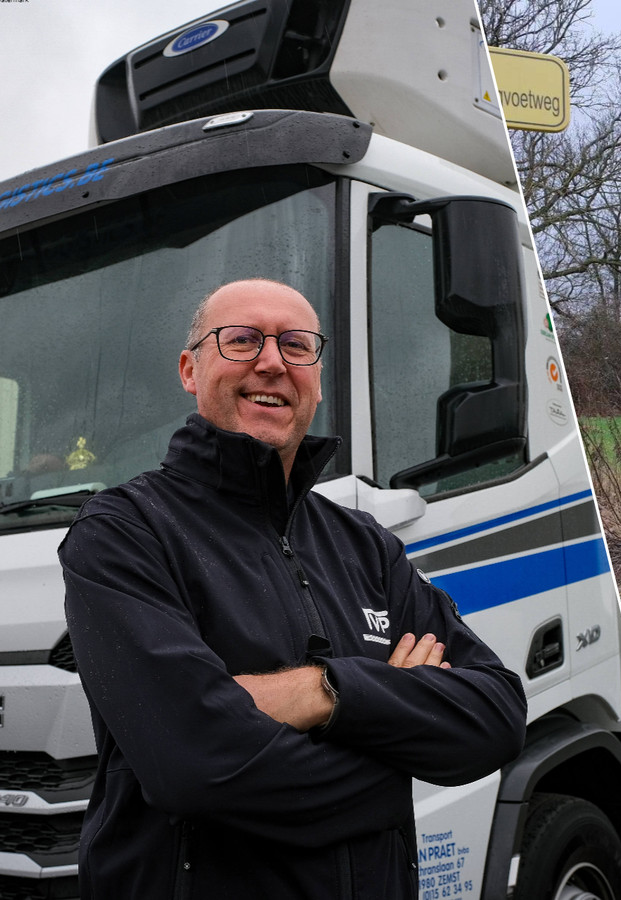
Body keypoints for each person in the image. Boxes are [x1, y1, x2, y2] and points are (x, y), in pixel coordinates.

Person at [58, 279, 527, 899]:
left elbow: (498, 714)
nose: (273, 362)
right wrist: (399, 750)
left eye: (297, 345)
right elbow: (193, 764)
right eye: (243, 340)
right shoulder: (123, 532)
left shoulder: (365, 544)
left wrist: (324, 690)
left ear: (317, 376)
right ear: (190, 370)